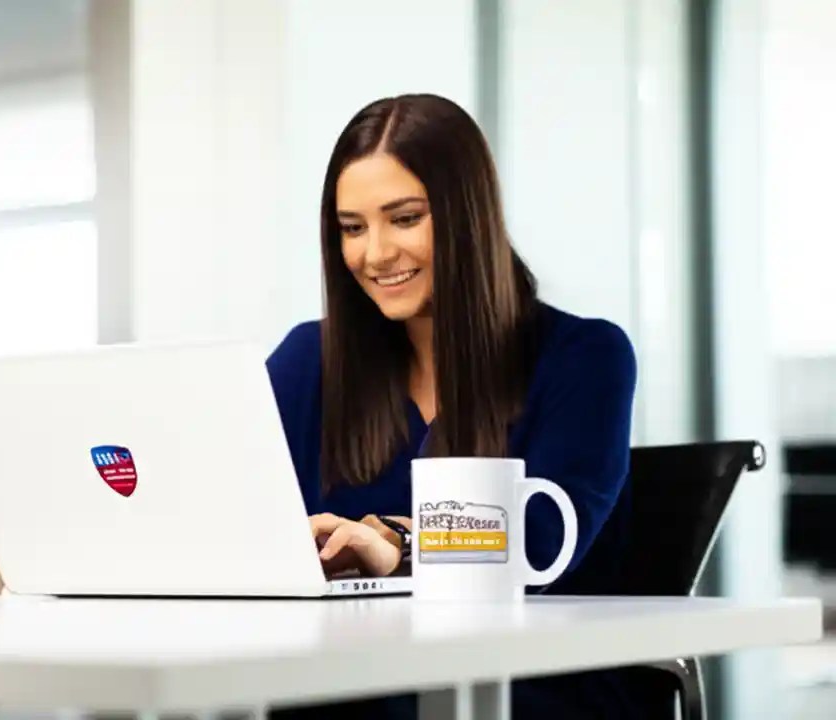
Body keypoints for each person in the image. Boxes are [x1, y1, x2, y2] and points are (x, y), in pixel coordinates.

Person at [265, 94, 642, 718]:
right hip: (345, 681)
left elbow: (544, 544)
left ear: (468, 216)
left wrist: (399, 549)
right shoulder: (310, 360)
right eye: (352, 228)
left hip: (528, 685)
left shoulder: (584, 356)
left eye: (405, 218)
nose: (375, 254)